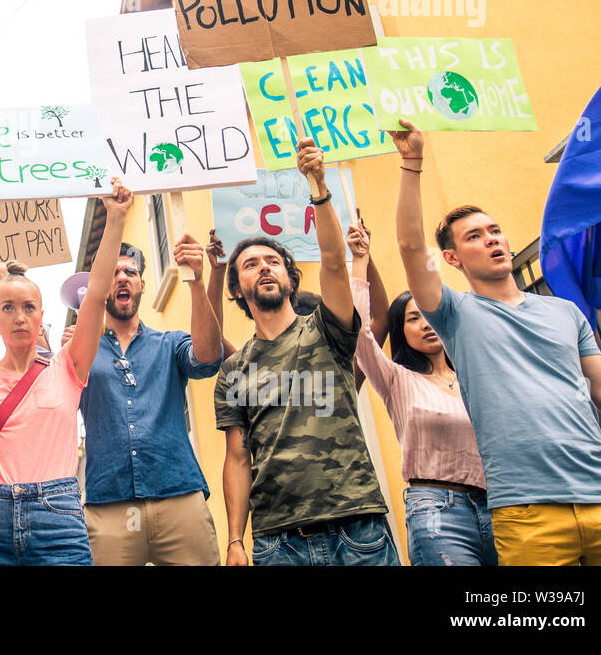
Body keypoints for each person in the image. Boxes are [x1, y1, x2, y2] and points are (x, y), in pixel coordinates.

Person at [392, 118, 601, 564]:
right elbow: (410, 247)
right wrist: (412, 164)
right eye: (475, 237)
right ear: (452, 258)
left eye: (495, 231)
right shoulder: (455, 313)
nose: (492, 240)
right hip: (526, 513)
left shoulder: (565, 313)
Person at [0, 178, 133, 566]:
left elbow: (96, 297)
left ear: (42, 318)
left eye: (28, 308)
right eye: (7, 308)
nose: (19, 317)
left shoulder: (68, 366)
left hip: (58, 517)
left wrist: (116, 217)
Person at [214, 137, 398, 566]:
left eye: (273, 261)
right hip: (279, 542)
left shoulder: (328, 330)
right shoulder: (233, 371)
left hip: (357, 528)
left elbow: (334, 263)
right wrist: (235, 541)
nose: (263, 266)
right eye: (250, 264)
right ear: (238, 291)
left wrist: (318, 184)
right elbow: (238, 458)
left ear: (291, 280)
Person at [347, 219, 495, 566]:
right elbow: (358, 333)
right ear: (401, 330)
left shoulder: (475, 374)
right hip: (438, 511)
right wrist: (360, 259)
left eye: (429, 314)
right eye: (413, 319)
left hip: (503, 505)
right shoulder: (396, 379)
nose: (426, 323)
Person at [80, 235, 225, 566]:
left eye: (130, 272)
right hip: (109, 504)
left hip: (179, 496)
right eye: (113, 273)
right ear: (99, 285)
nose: (122, 278)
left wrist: (196, 280)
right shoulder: (82, 353)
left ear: (143, 284)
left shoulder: (170, 343)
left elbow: (207, 357)